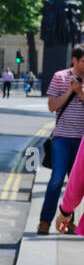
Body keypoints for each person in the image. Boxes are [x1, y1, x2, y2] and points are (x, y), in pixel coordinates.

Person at [37, 48, 84, 235]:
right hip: (62, 138)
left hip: (82, 140)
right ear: (75, 60)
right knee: (56, 179)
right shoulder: (59, 77)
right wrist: (69, 91)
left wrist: (79, 92)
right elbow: (52, 106)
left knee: (77, 182)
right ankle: (45, 221)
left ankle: (69, 219)